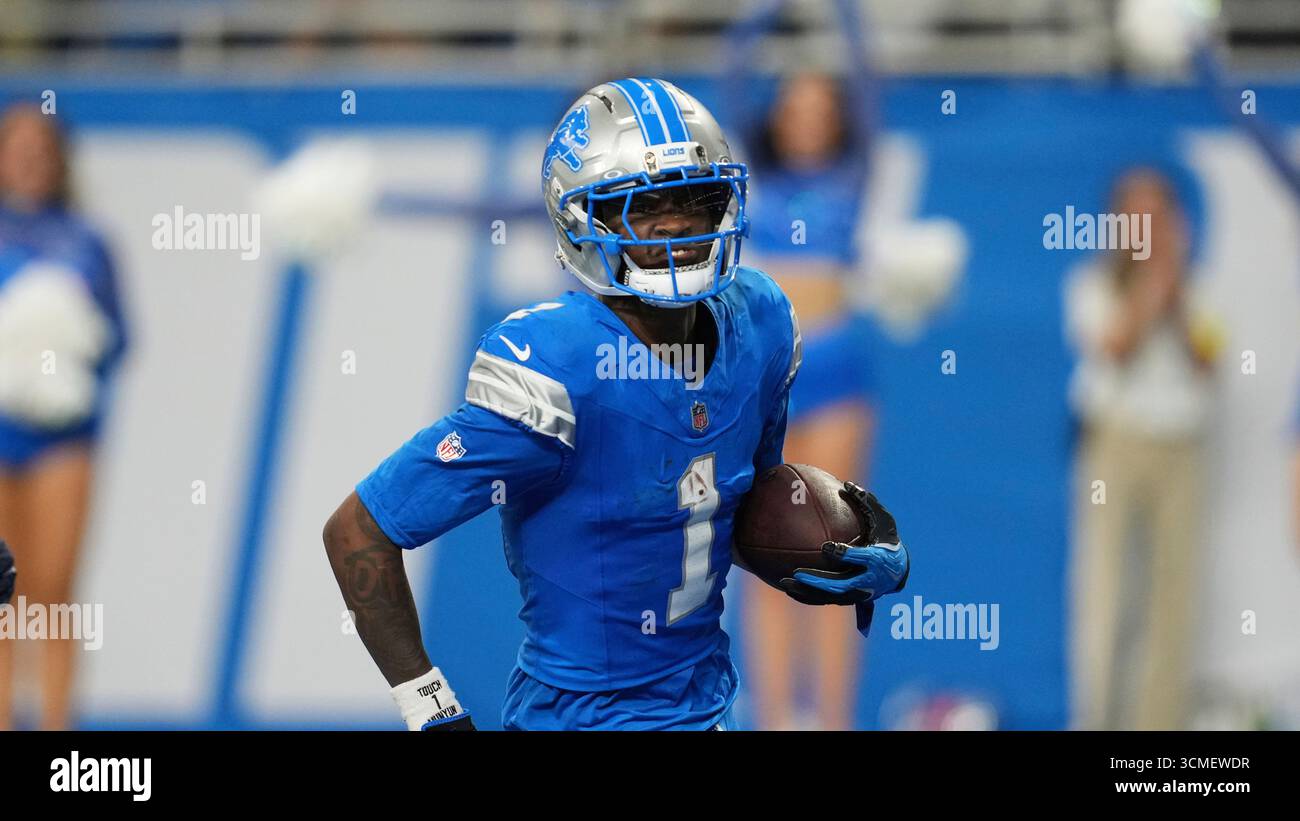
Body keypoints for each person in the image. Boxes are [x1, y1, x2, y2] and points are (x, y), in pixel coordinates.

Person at [323, 78, 910, 731]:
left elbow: (728, 508)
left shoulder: (763, 323)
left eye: (695, 198)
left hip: (708, 708)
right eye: (644, 206)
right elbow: (359, 529)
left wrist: (828, 550)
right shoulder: (556, 366)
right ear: (585, 221)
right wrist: (429, 708)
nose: (678, 225)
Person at [728, 71, 879, 730]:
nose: (808, 122)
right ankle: (776, 716)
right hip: (774, 377)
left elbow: (869, 77)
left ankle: (833, 717)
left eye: (822, 110)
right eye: (796, 109)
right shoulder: (756, 179)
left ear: (838, 121)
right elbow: (734, 75)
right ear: (780, 119)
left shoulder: (854, 178)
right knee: (769, 554)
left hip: (838, 370)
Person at [1064, 168, 1214, 730]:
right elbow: (1116, 348)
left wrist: (1178, 299)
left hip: (1182, 449)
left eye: (1158, 214)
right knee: (1106, 593)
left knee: (1172, 597)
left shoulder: (1203, 291)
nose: (1147, 226)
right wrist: (1154, 288)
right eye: (1136, 215)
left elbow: (1209, 363)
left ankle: (1160, 734)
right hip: (1115, 446)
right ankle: (1097, 721)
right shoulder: (1089, 286)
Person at [0, 104, 128, 730]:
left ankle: (57, 733)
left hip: (63, 444)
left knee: (51, 589)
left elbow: (118, 340)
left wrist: (64, 349)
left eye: (39, 147)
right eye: (15, 146)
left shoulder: (88, 242)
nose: (28, 159)